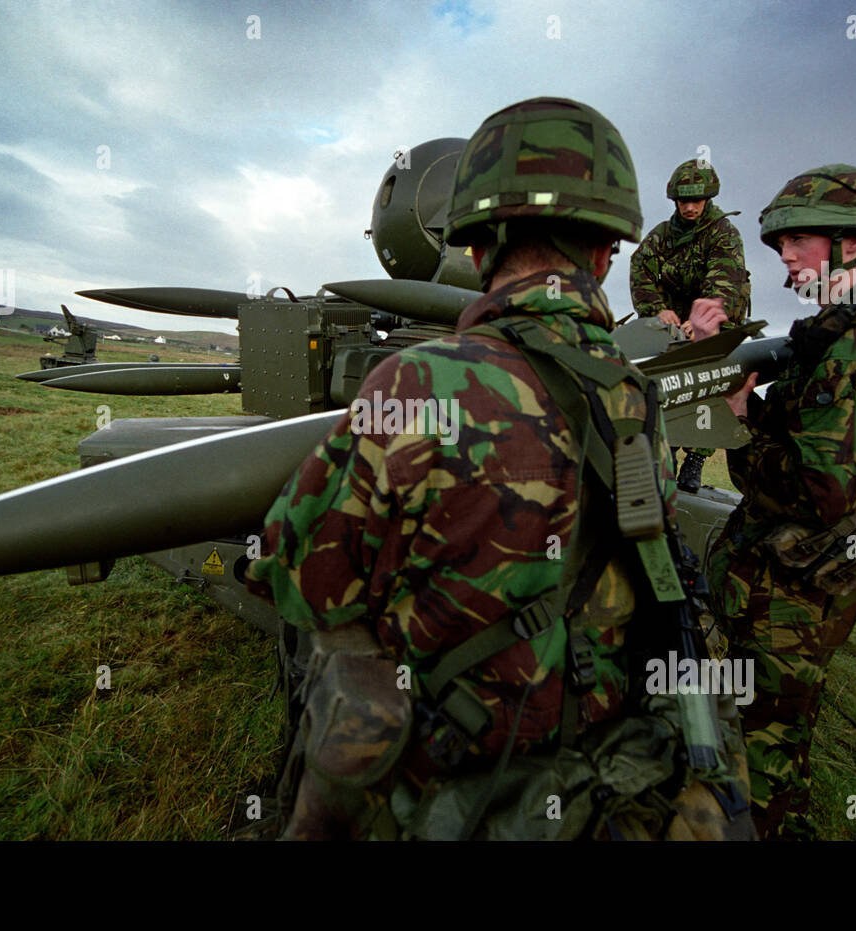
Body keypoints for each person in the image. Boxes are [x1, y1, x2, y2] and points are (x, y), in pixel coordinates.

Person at [246, 97, 753, 841]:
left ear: (477, 250)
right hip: (594, 788)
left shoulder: (416, 383)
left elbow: (302, 577)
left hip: (450, 788)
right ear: (608, 253)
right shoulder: (633, 397)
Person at [700, 164, 856, 840]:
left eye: (798, 241)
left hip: (793, 593)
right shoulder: (846, 331)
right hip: (789, 585)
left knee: (763, 753)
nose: (785, 259)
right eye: (777, 246)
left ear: (852, 244)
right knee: (765, 731)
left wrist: (745, 421)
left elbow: (821, 492)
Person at [629, 159, 752, 492]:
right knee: (668, 384)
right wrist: (658, 310)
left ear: (708, 199)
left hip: (716, 327)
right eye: (684, 201)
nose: (690, 207)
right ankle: (665, 449)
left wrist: (701, 321)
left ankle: (697, 459)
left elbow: (724, 283)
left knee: (710, 385)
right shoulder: (662, 236)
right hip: (673, 328)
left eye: (696, 200)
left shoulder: (723, 234)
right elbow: (640, 270)